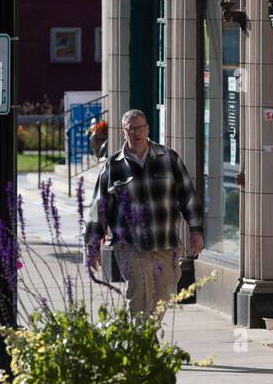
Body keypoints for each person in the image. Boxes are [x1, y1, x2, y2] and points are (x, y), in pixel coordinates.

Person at [86, 110, 204, 315]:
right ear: (124, 133)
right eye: (131, 129)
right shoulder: (113, 167)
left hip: (164, 243)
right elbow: (99, 207)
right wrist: (93, 244)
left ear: (148, 129)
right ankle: (144, 341)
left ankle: (147, 342)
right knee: (139, 298)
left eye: (140, 128)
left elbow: (188, 195)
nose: (137, 133)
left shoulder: (168, 158)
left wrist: (196, 230)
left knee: (161, 302)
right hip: (130, 245)